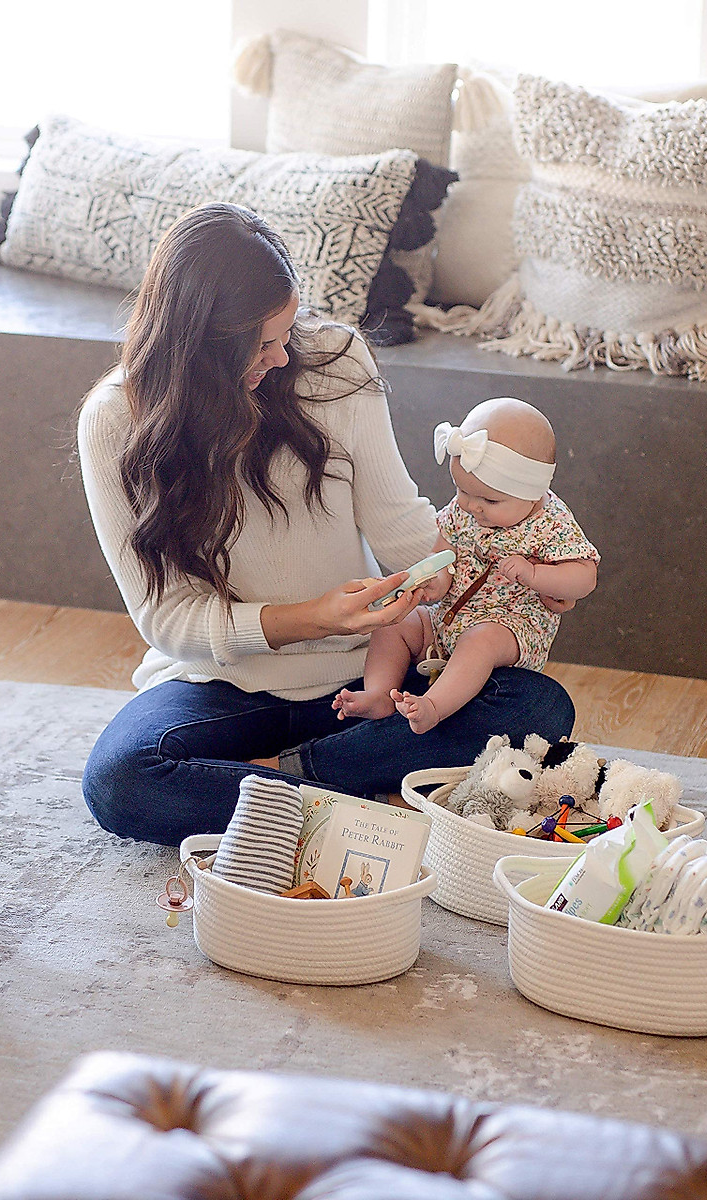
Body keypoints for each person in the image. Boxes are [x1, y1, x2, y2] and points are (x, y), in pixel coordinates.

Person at [76, 202, 576, 847]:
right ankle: (362, 788)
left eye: (286, 333)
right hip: (221, 687)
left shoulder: (336, 362)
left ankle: (281, 787)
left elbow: (404, 532)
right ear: (200, 343)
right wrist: (316, 616)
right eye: (262, 344)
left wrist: (514, 571)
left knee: (538, 707)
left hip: (363, 679)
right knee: (123, 783)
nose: (284, 357)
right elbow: (170, 622)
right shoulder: (116, 419)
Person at [334, 398, 599, 734]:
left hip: (509, 628)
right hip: (447, 620)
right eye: (462, 490)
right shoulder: (467, 510)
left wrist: (536, 575)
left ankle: (433, 707)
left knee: (480, 642)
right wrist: (438, 579)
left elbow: (584, 577)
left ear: (532, 492)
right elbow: (444, 551)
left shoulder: (551, 523)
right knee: (395, 623)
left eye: (489, 500)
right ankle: (379, 694)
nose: (472, 506)